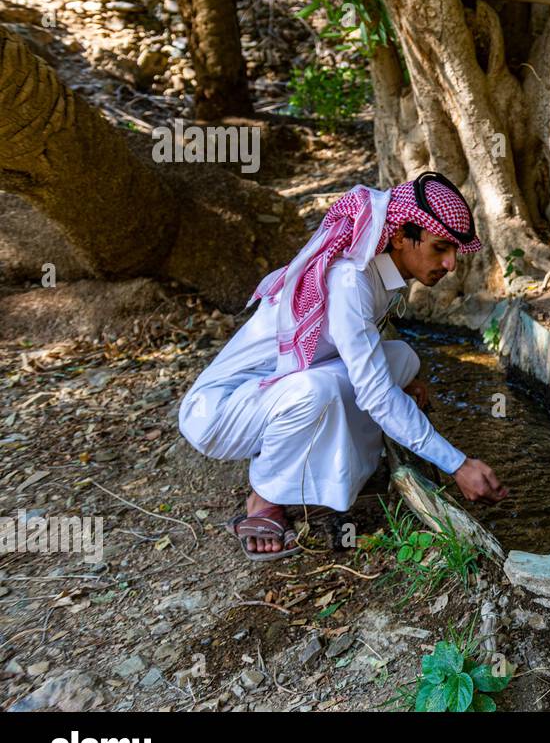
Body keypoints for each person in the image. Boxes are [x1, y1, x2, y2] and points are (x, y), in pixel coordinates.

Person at [179, 173, 508, 561]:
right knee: (321, 392)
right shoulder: (351, 279)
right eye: (440, 248)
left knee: (402, 359)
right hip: (219, 413)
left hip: (271, 395)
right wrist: (458, 463)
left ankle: (333, 476)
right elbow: (374, 392)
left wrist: (403, 383)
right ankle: (264, 498)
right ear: (401, 235)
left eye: (453, 251)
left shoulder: (380, 271)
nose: (451, 264)